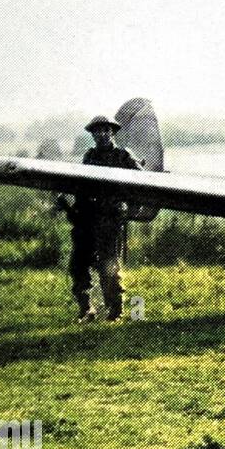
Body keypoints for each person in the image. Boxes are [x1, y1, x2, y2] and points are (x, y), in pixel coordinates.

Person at [57, 115, 143, 322]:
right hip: (87, 216)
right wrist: (74, 210)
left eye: (106, 130)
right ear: (93, 135)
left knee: (108, 264)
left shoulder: (123, 156)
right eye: (97, 131)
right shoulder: (89, 156)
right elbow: (83, 186)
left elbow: (143, 180)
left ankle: (115, 310)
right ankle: (86, 309)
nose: (102, 134)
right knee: (78, 264)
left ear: (112, 132)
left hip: (110, 217)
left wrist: (130, 206)